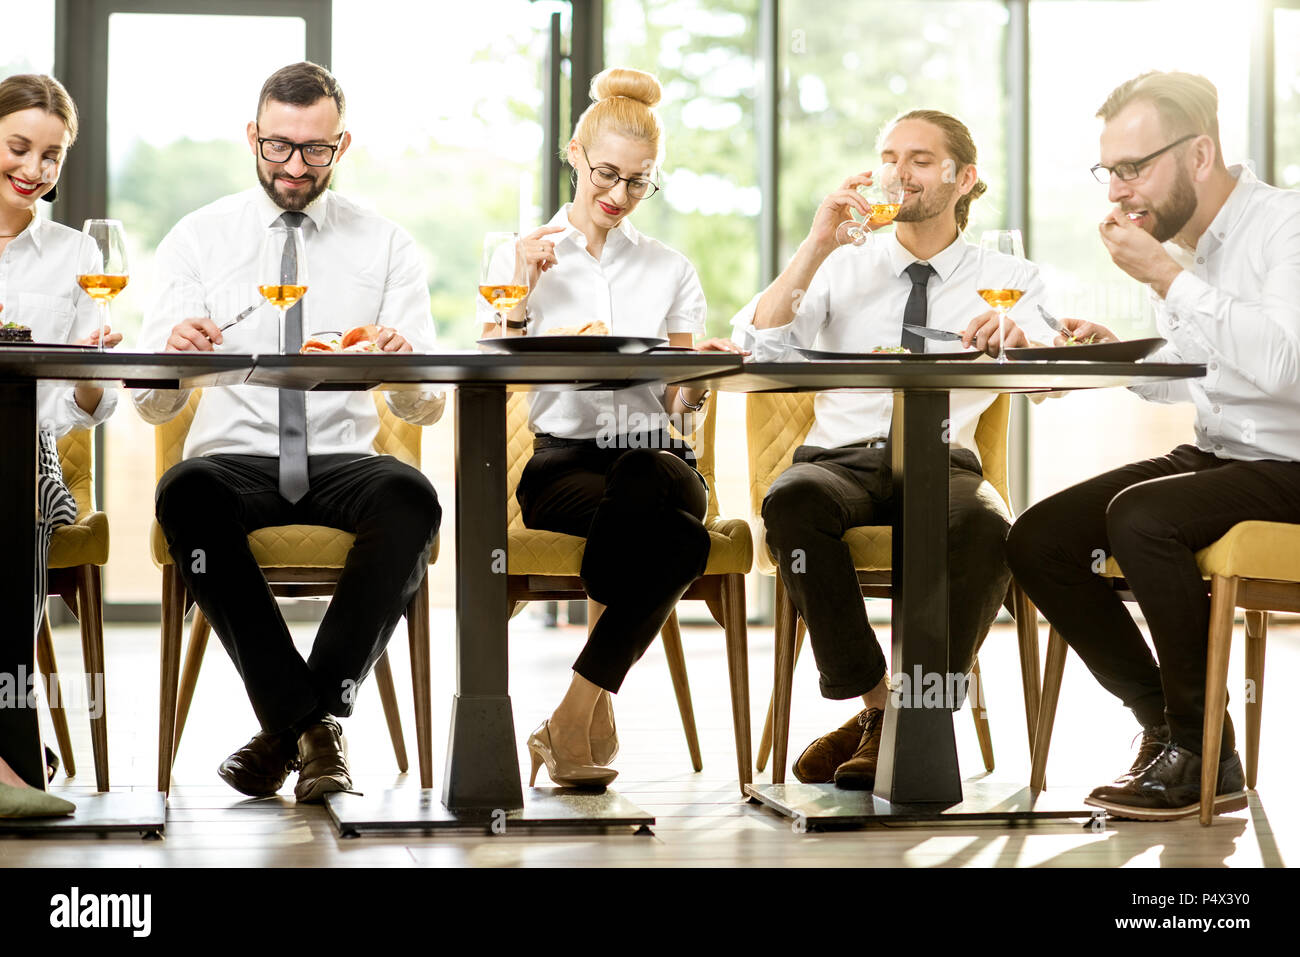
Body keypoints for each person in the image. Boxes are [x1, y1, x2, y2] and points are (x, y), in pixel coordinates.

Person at [133, 62, 444, 803]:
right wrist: (173, 360)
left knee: (411, 497)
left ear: (342, 143)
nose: (295, 167)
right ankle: (318, 727)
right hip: (234, 460)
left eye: (315, 150)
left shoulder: (388, 243)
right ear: (253, 136)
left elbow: (426, 405)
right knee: (185, 492)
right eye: (278, 147)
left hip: (342, 459)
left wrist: (402, 368)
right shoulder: (197, 238)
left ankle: (288, 728)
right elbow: (148, 406)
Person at [1006, 71, 1300, 821]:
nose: (1116, 192)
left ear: (1200, 154)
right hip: (1225, 456)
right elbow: (1202, 374)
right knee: (1039, 537)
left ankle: (1203, 752)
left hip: (1292, 465)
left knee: (1143, 516)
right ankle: (1173, 730)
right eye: (1108, 171)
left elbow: (1284, 368)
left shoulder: (1285, 227)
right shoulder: (1185, 246)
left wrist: (1168, 278)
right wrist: (1110, 358)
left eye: (1133, 168)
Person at [733, 109, 1051, 790]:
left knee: (991, 526)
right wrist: (815, 245)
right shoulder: (841, 263)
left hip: (943, 460)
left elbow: (1051, 378)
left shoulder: (1008, 272)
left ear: (964, 178)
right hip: (840, 463)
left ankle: (905, 717)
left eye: (921, 159)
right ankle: (886, 706)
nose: (899, 173)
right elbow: (758, 343)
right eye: (889, 157)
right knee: (791, 502)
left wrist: (1023, 342)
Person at [480, 67, 742, 787]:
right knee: (682, 541)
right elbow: (494, 370)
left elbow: (683, 403)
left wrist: (699, 375)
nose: (618, 196)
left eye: (638, 182)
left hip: (657, 458)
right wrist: (522, 296)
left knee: (646, 468)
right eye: (606, 174)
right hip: (561, 467)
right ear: (573, 154)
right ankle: (575, 715)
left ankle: (571, 715)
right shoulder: (520, 255)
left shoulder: (671, 268)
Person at [0, 74, 120, 787]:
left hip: (28, 461)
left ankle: (13, 760)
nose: (33, 170)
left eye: (51, 157)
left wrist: (91, 370)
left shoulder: (79, 255)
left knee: (14, 501)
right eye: (18, 147)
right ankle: (15, 750)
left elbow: (89, 409)